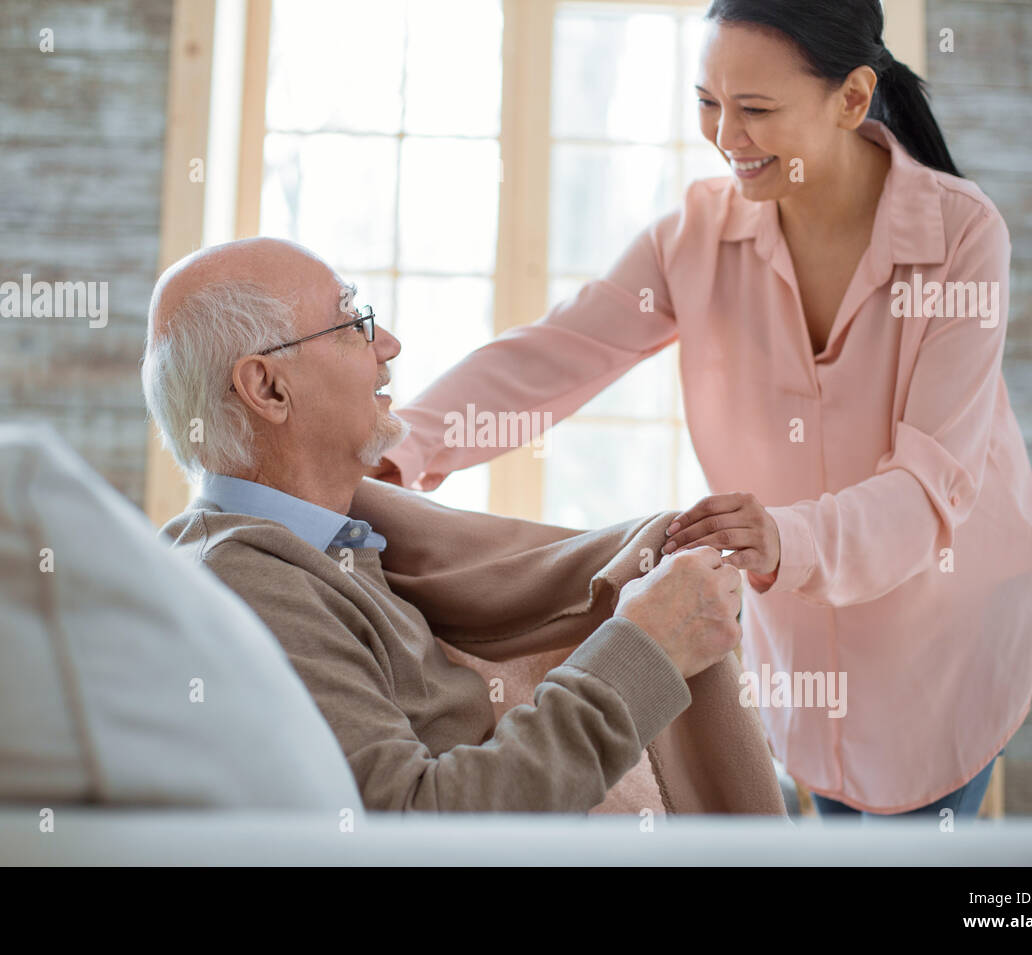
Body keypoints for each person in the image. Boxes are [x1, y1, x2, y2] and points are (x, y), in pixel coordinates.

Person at [368, 0, 1032, 821]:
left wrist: (784, 536)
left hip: (946, 633)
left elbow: (928, 486)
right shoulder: (695, 236)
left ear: (853, 98)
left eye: (757, 109)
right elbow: (552, 357)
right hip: (801, 642)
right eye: (707, 102)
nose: (727, 135)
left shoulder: (963, 236)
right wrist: (392, 448)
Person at [138, 236, 786, 815]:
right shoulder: (249, 585)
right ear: (268, 389)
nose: (387, 345)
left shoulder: (333, 547)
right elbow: (420, 827)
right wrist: (648, 650)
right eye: (351, 324)